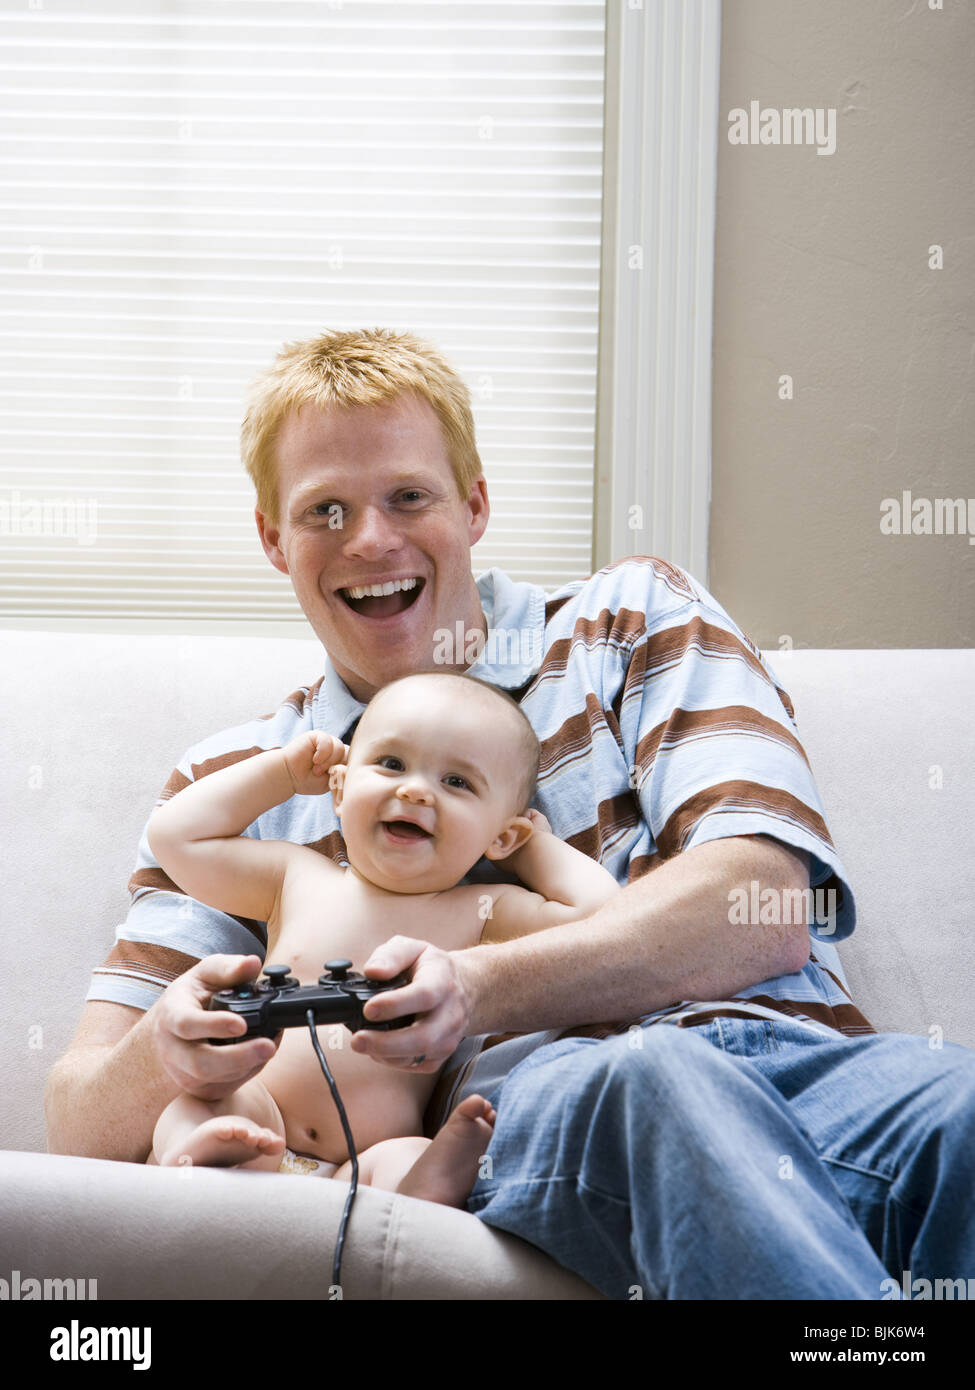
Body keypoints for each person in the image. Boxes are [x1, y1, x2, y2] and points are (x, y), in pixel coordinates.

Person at [46, 328, 975, 1301]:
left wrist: (476, 984)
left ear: (476, 503)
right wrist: (166, 1050)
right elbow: (77, 1117)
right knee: (656, 1081)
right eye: (325, 509)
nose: (370, 539)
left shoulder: (628, 623)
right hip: (569, 1095)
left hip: (803, 1063)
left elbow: (773, 902)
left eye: (409, 495)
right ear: (273, 538)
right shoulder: (248, 782)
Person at [147, 670, 618, 1207]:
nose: (415, 790)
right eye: (391, 764)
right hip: (259, 1106)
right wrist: (282, 772)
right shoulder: (294, 878)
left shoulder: (480, 913)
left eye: (457, 782)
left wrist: (531, 848)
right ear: (341, 790)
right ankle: (202, 1152)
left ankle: (426, 1185)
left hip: (369, 1152)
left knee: (409, 1153)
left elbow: (600, 918)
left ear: (501, 836)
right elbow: (175, 836)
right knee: (193, 1107)